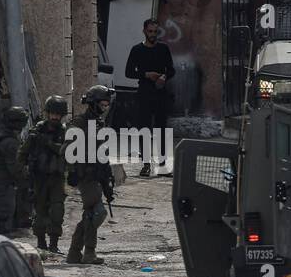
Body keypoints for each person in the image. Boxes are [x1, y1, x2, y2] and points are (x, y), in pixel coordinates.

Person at [66, 84, 114, 264]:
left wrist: (107, 178)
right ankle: (89, 253)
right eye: (102, 104)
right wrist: (72, 171)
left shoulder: (100, 124)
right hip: (84, 175)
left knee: (90, 214)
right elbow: (67, 149)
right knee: (97, 212)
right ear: (93, 104)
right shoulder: (79, 122)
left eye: (106, 105)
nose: (104, 108)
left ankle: (74, 252)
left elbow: (103, 154)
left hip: (97, 174)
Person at [124, 18, 175, 177]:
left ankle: (162, 164)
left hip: (160, 93)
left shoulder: (164, 49)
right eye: (150, 31)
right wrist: (146, 74)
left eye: (155, 32)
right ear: (144, 31)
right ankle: (146, 164)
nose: (153, 35)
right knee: (144, 129)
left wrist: (164, 77)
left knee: (161, 128)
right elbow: (129, 72)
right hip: (144, 93)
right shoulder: (137, 50)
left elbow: (171, 69)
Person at [19, 96, 69, 253]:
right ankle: (41, 243)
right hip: (39, 178)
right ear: (48, 113)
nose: (54, 117)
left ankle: (53, 244)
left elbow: (65, 151)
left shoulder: (65, 132)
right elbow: (23, 153)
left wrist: (47, 142)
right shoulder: (37, 130)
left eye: (58, 115)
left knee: (57, 211)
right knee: (40, 212)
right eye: (52, 114)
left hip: (56, 178)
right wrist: (21, 173)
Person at [0, 106, 29, 235]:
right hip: (4, 182)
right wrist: (27, 178)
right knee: (5, 212)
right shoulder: (9, 142)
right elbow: (15, 167)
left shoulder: (0, 135)